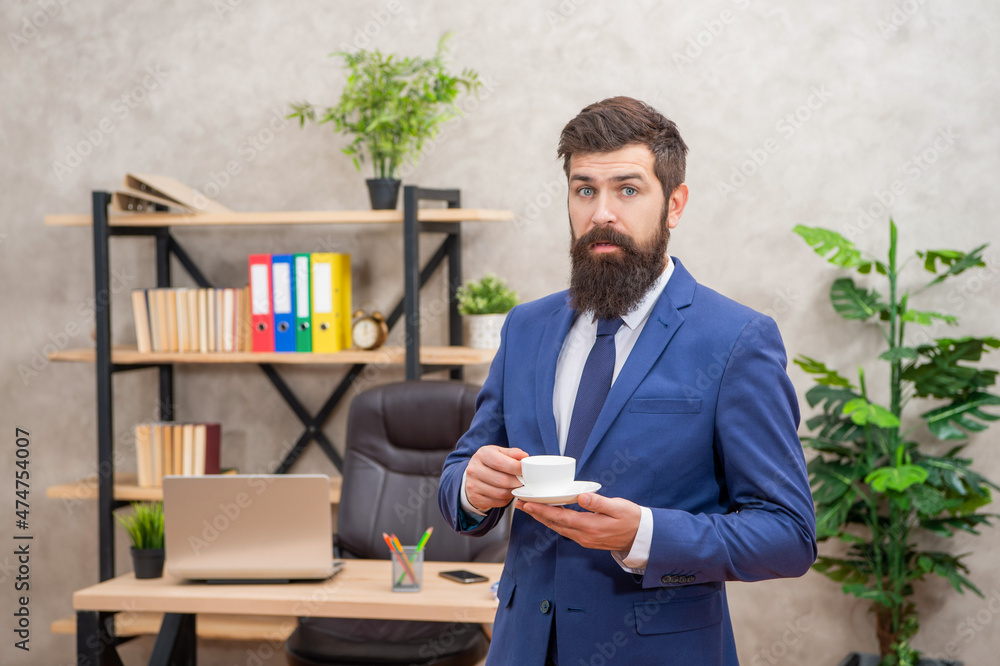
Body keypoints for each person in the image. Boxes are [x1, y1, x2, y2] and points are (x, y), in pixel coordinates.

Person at [438, 96, 816, 666]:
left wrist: (644, 536)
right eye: (584, 189)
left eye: (628, 190)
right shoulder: (525, 328)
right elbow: (458, 476)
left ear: (675, 204)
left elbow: (788, 535)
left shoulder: (736, 339)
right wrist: (470, 486)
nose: (602, 214)